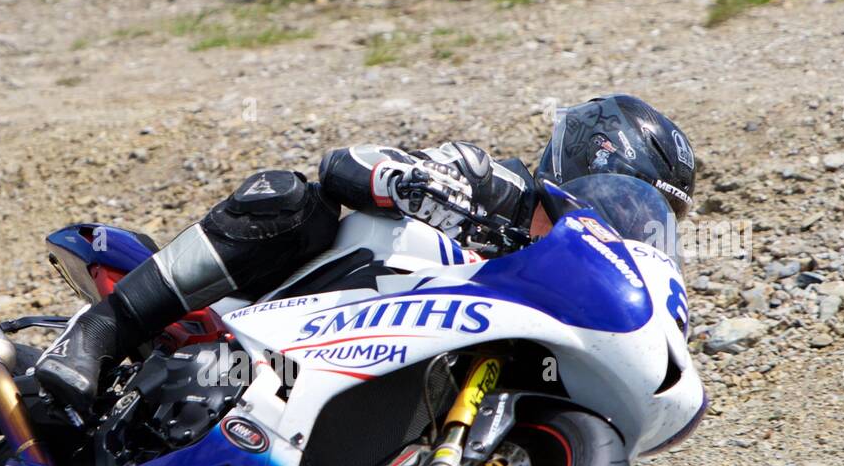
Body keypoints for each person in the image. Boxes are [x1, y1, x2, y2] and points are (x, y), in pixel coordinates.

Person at [36, 93, 696, 417]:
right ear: (587, 166)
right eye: (625, 200)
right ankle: (103, 330)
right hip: (280, 315)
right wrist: (407, 180)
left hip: (368, 379)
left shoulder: (584, 291)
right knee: (295, 200)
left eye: (650, 219)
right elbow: (345, 164)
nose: (631, 226)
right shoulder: (495, 184)